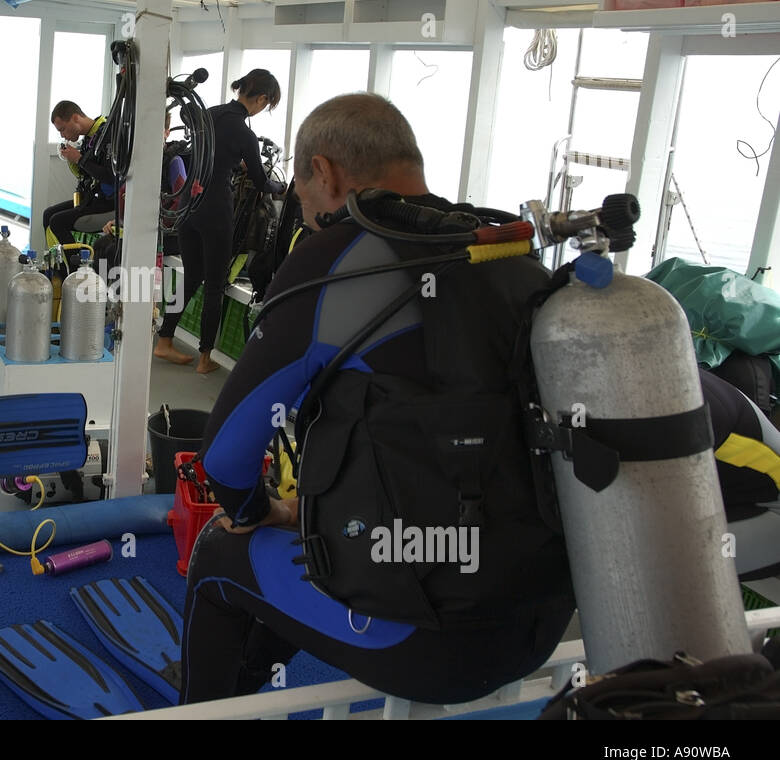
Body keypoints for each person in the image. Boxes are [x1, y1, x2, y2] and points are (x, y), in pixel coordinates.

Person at [179, 93, 574, 705]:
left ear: (327, 172)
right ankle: (254, 681)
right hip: (541, 621)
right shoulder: (507, 249)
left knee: (219, 553)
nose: (307, 219)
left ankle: (209, 711)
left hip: (425, 645)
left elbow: (225, 460)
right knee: (323, 535)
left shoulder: (337, 259)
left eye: (307, 205)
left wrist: (259, 509)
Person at [155, 69, 284, 374]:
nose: (264, 109)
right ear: (262, 98)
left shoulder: (209, 114)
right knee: (214, 285)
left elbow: (206, 153)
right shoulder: (244, 132)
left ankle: (164, 340)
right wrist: (282, 188)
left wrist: (231, 161)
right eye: (267, 104)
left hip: (188, 205)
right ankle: (204, 359)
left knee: (190, 275)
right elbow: (262, 181)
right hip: (215, 212)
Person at [46, 101, 115, 260]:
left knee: (57, 222)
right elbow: (86, 175)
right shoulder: (90, 138)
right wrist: (73, 160)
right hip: (91, 200)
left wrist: (79, 159)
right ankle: (59, 267)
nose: (63, 135)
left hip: (108, 205)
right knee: (48, 214)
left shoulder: (107, 135)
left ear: (76, 118)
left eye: (63, 129)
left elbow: (110, 177)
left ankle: (76, 272)